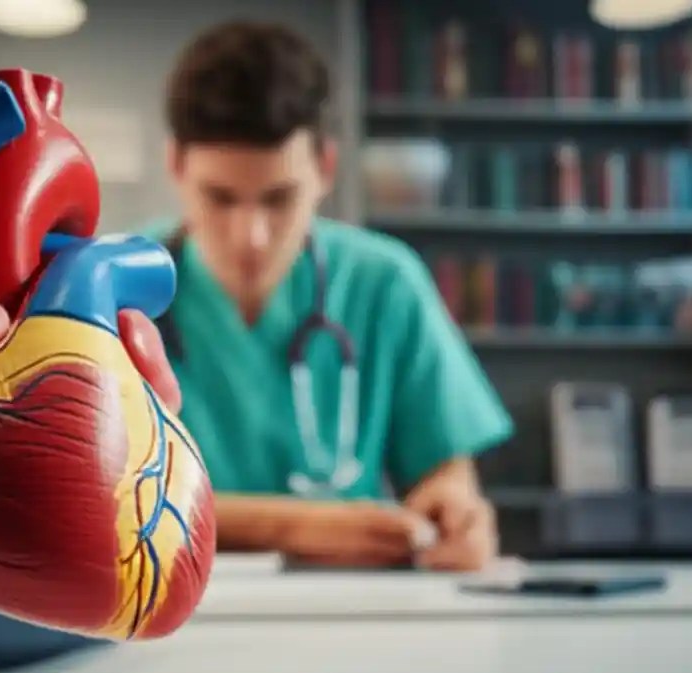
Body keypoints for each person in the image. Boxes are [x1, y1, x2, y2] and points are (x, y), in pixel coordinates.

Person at [137, 20, 514, 571]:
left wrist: (455, 509)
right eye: (220, 198)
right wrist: (302, 525)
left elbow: (444, 472)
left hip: (349, 613)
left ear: (326, 167)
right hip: (154, 613)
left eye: (279, 198)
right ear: (175, 165)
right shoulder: (114, 286)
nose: (252, 237)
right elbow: (100, 503)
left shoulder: (384, 282)